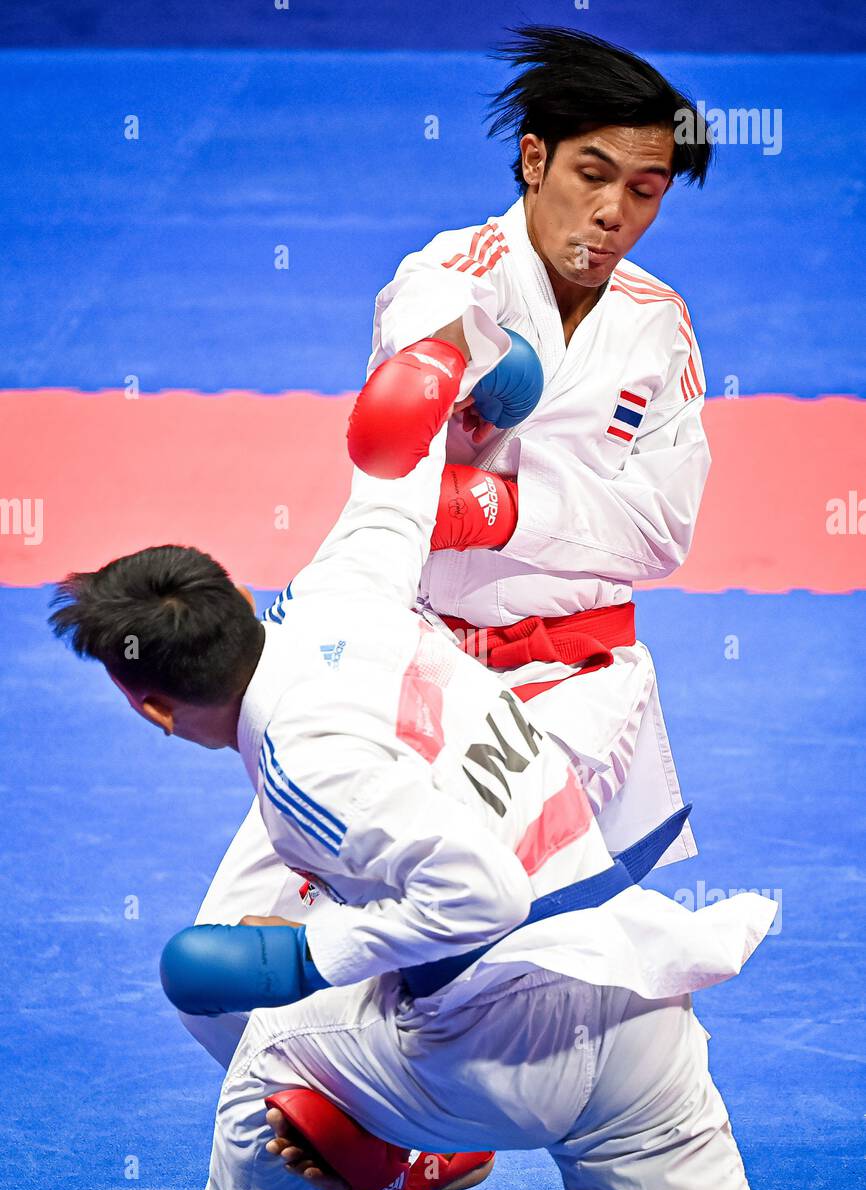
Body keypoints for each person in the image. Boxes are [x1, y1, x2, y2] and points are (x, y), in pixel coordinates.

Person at [49, 429, 803, 1190]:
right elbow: (395, 484)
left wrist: (308, 956)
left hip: (509, 1050)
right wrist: (450, 374)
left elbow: (483, 891)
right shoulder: (341, 592)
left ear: (153, 711)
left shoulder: (304, 769)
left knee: (268, 1053)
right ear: (237, 600)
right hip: (643, 997)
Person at [186, 28, 716, 1102]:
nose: (614, 212)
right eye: (591, 175)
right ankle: (396, 1162)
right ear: (533, 161)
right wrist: (434, 368)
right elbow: (413, 373)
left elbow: (661, 531)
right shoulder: (450, 272)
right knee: (220, 972)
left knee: (500, 963)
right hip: (405, 674)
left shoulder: (657, 328)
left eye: (646, 189)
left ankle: (618, 1133)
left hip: (567, 685)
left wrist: (496, 507)